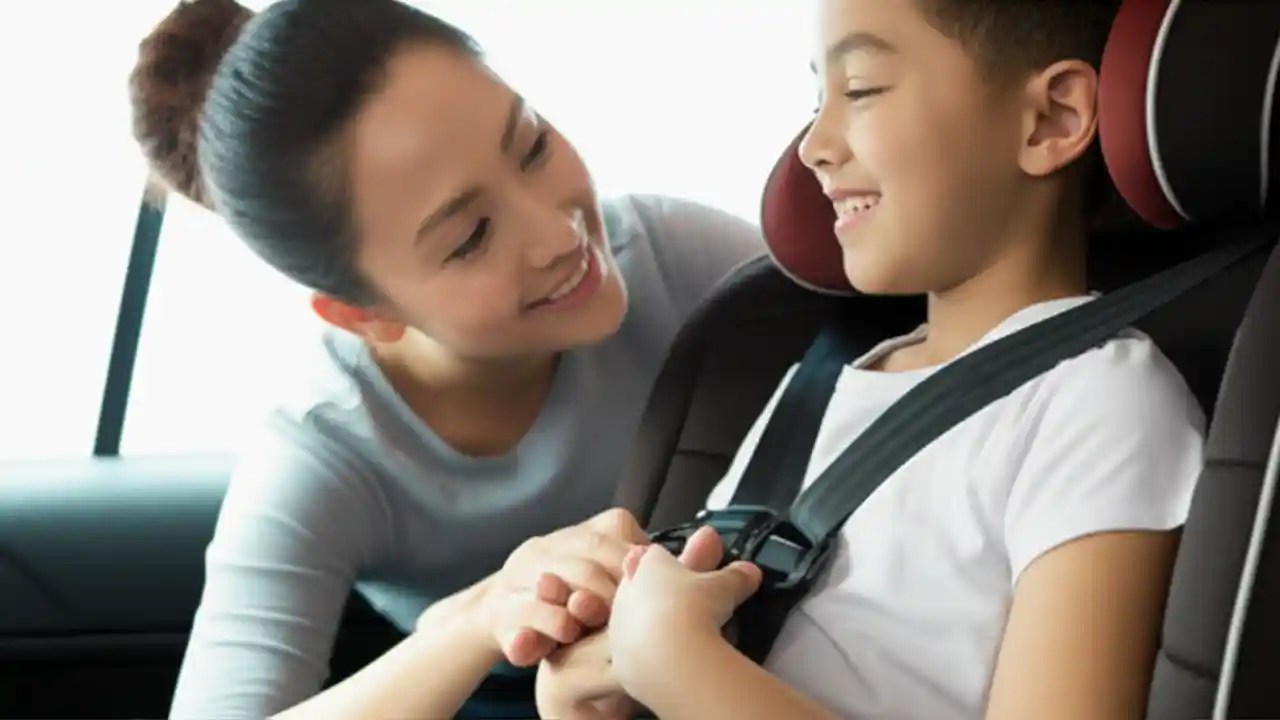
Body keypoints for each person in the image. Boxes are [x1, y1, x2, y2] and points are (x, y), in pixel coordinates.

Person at [535, 0, 1206, 718]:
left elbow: (687, 669)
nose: (812, 145)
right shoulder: (814, 382)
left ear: (1052, 119)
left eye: (860, 90)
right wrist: (603, 684)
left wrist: (677, 665)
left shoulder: (1097, 401)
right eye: (816, 98)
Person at [127, 0, 765, 717]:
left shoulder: (677, 258)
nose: (558, 235)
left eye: (530, 146)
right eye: (470, 239)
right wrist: (478, 618)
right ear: (364, 313)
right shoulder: (327, 447)